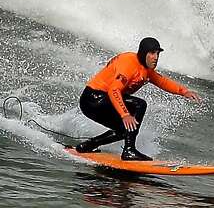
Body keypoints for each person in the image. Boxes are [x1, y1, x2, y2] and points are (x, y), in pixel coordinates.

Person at [72, 37, 200, 161]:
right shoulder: (129, 64)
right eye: (152, 53)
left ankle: (89, 145)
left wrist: (184, 91)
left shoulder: (145, 69)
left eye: (157, 53)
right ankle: (129, 150)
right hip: (93, 99)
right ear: (144, 53)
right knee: (140, 105)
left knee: (125, 130)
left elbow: (162, 81)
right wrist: (125, 114)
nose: (156, 57)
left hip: (101, 100)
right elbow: (114, 90)